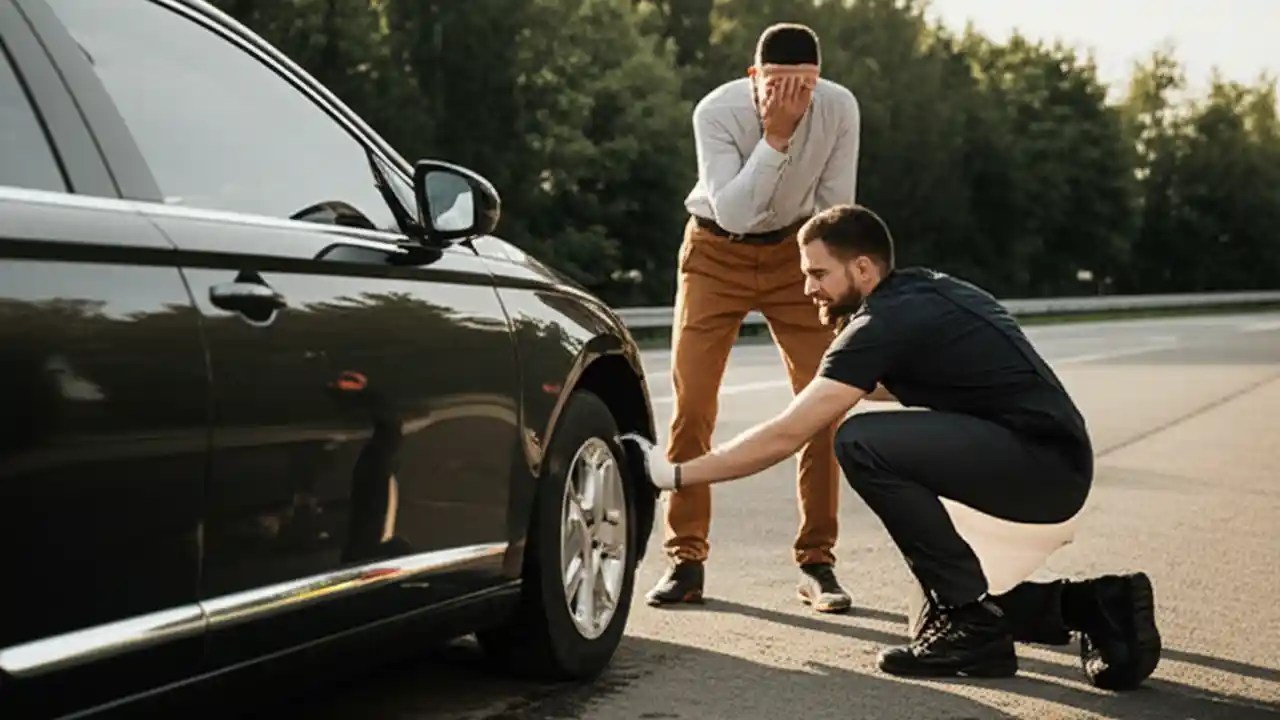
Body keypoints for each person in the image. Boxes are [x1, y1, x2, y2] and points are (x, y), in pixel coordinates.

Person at [625, 204, 1161, 688]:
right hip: (1038, 460)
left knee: (859, 440)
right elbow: (863, 390)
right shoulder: (927, 293)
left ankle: (973, 626)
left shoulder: (884, 322)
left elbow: (790, 433)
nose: (806, 288)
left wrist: (671, 474)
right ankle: (1094, 604)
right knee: (930, 608)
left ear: (862, 269)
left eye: (817, 274)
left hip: (1040, 466)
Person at [650, 21, 862, 613]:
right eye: (777, 85)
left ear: (819, 81)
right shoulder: (716, 113)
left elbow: (836, 208)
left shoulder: (840, 108)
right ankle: (685, 560)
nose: (794, 98)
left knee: (822, 404)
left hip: (799, 254)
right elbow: (735, 211)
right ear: (753, 78)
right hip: (715, 252)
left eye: (806, 87)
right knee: (693, 405)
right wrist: (776, 136)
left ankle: (817, 563)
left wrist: (839, 289)